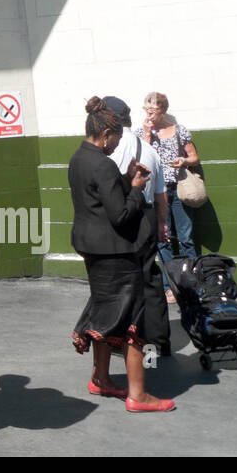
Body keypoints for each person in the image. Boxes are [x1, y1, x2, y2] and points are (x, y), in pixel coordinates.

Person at [69, 97, 174, 412]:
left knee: (105, 312)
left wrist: (126, 179)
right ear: (105, 134)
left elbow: (99, 200)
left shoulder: (78, 158)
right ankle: (138, 395)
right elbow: (121, 215)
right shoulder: (102, 164)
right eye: (115, 138)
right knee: (131, 319)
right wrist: (137, 187)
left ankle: (101, 378)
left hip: (92, 247)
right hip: (115, 251)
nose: (117, 144)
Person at [104, 95, 171, 357]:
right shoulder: (149, 149)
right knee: (150, 278)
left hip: (125, 216)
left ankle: (124, 339)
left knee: (121, 280)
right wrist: (162, 223)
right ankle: (158, 341)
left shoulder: (112, 150)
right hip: (148, 216)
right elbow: (161, 194)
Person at [139, 92, 201, 302]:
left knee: (185, 238)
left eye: (153, 109)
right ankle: (170, 287)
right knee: (163, 239)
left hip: (178, 189)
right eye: (146, 108)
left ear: (163, 110)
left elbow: (194, 157)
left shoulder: (179, 130)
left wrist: (184, 161)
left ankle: (192, 284)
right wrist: (147, 134)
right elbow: (142, 159)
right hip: (157, 192)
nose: (149, 113)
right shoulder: (141, 132)